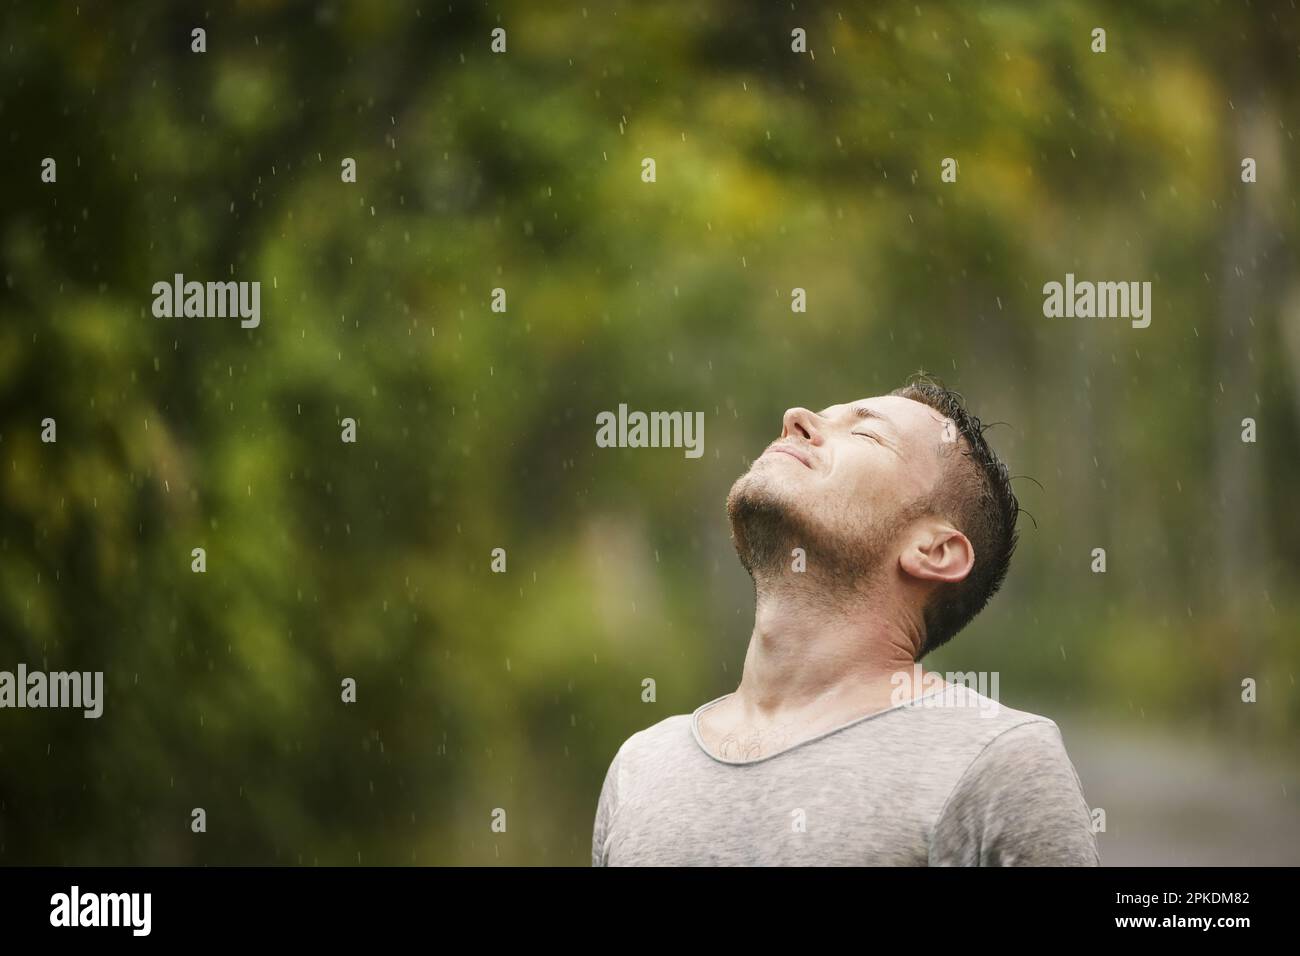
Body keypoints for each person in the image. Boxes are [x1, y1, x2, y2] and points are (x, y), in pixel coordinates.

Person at [592, 376, 1099, 866]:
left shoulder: (999, 763)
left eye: (866, 432)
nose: (796, 419)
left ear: (934, 551)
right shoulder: (640, 766)